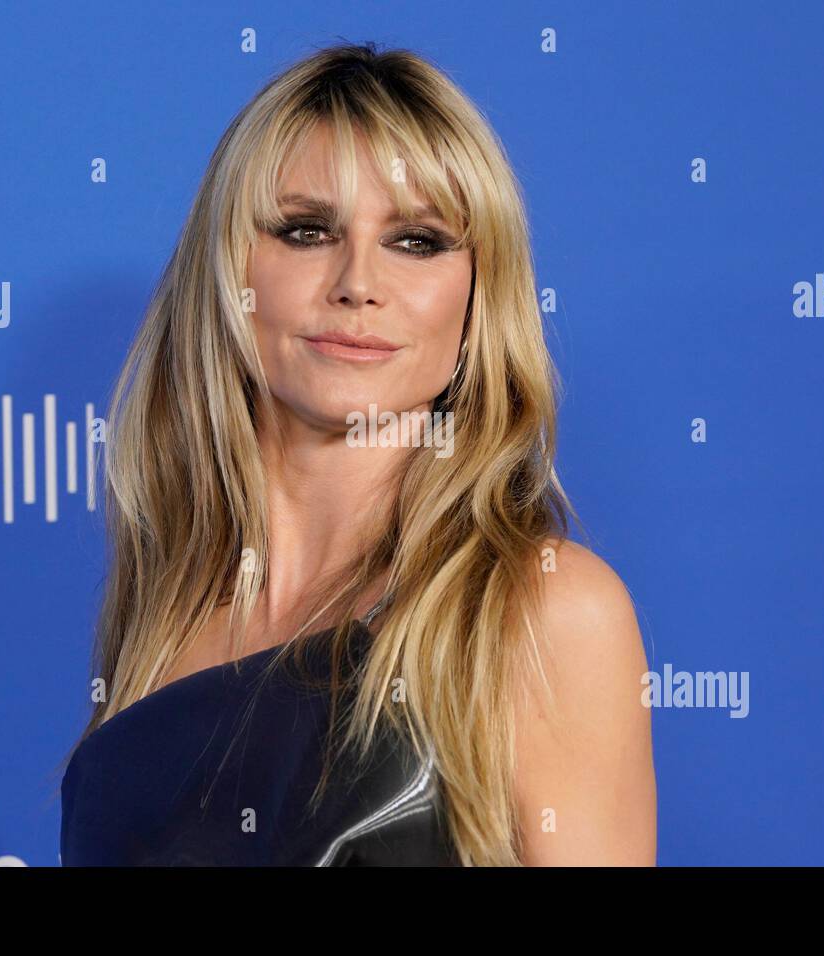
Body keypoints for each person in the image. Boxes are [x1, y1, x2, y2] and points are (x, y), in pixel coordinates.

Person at [59, 41, 655, 866]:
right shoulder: (163, 617)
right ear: (232, 276)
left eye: (416, 241)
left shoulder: (545, 614)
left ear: (480, 296)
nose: (357, 283)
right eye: (307, 231)